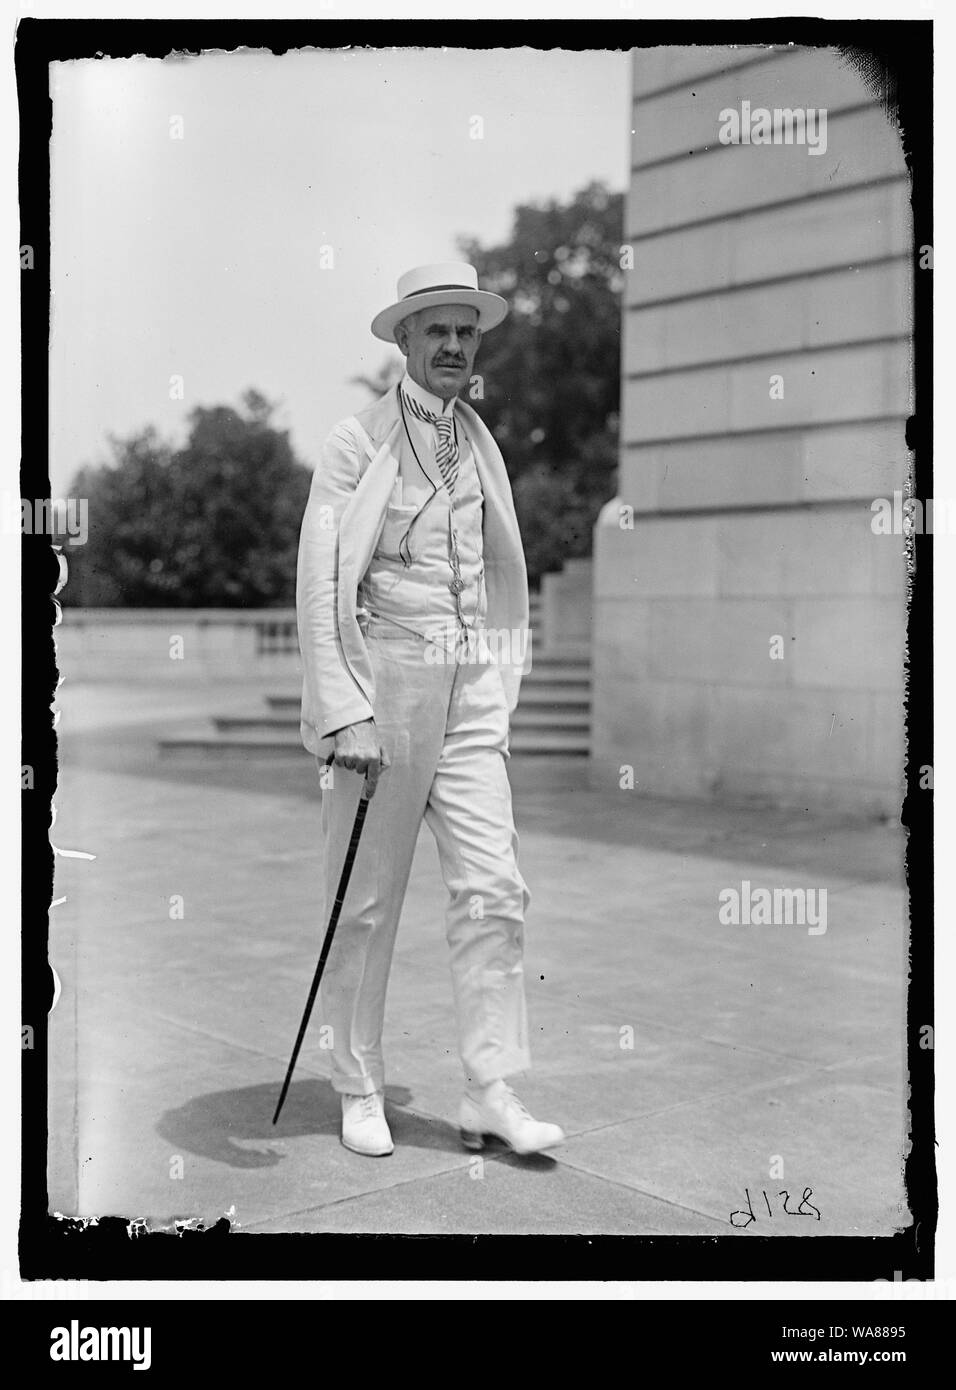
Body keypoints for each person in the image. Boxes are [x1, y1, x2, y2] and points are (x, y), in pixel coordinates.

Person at [296, 262, 564, 1158]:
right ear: (405, 341)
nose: (453, 346)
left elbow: (494, 572)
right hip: (389, 679)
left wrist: (493, 675)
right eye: (436, 331)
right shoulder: (355, 441)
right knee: (366, 900)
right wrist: (347, 712)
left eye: (466, 332)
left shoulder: (480, 443)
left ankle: (489, 1087)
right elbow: (322, 582)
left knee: (496, 887)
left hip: (469, 682)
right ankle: (358, 1083)